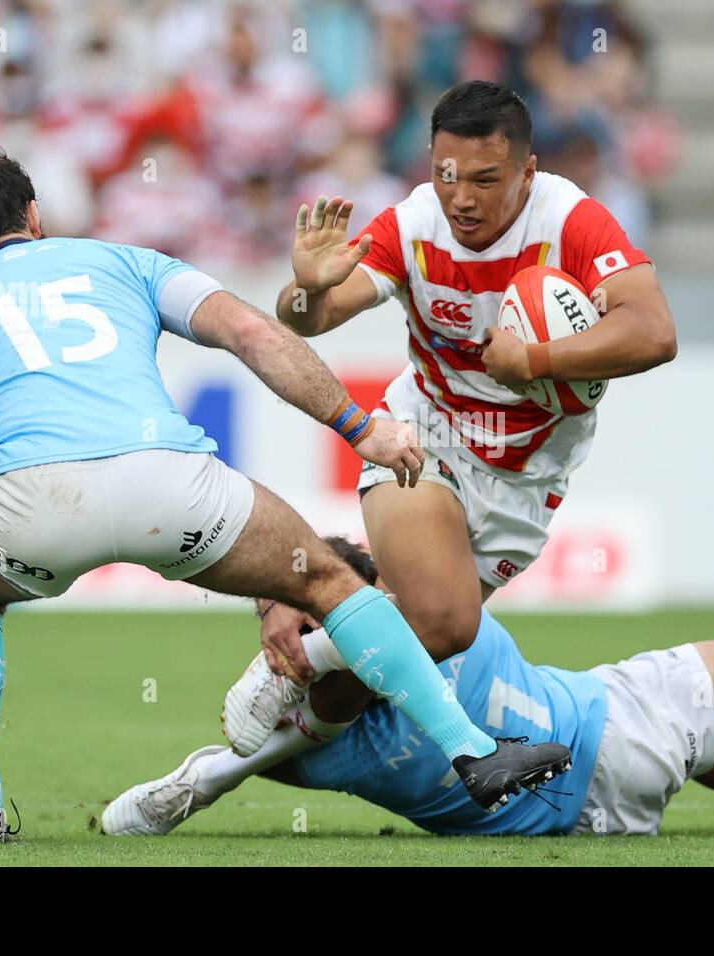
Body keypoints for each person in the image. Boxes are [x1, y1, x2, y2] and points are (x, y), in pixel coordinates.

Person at [0, 150, 572, 840]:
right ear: (34, 216)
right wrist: (358, 426)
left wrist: (23, 534)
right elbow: (253, 333)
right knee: (327, 579)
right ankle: (473, 750)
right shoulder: (125, 261)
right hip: (167, 483)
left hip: (28, 505)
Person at [223, 80, 678, 757]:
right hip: (422, 433)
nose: (462, 198)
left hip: (525, 473)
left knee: (411, 640)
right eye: (447, 176)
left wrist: (537, 358)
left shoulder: (572, 223)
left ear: (528, 171)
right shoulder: (415, 225)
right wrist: (304, 290)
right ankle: (292, 666)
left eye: (485, 179)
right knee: (446, 621)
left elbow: (654, 333)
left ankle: (291, 709)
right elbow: (313, 317)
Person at [106, 539, 714, 840]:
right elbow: (368, 624)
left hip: (585, 814)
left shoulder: (311, 765)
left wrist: (213, 767)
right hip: (614, 722)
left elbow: (265, 729)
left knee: (713, 755)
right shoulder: (428, 629)